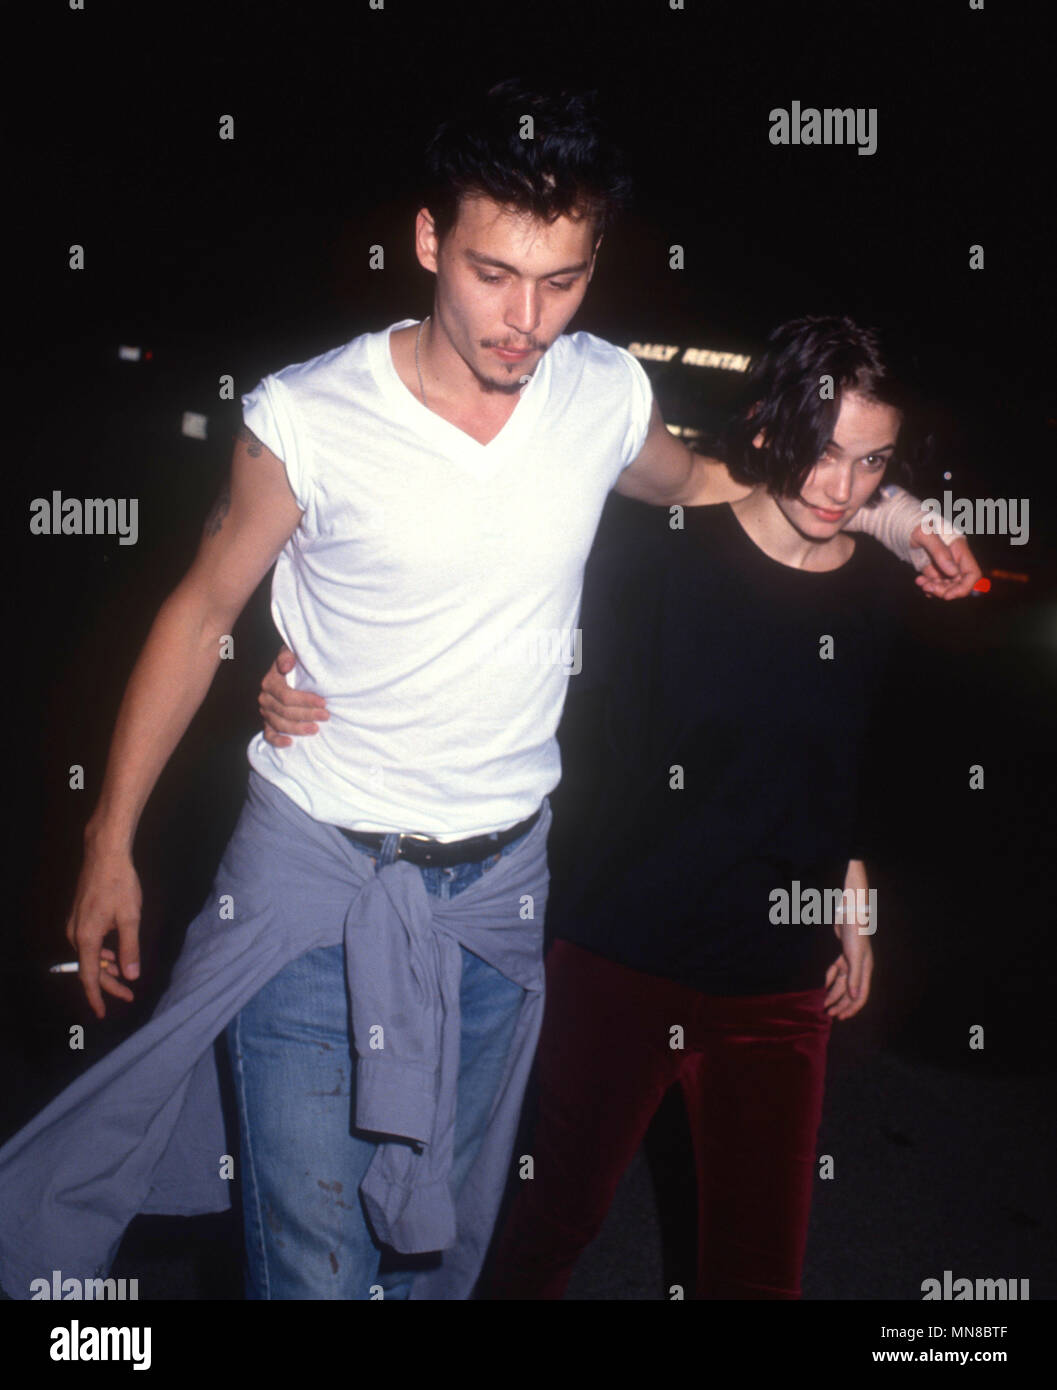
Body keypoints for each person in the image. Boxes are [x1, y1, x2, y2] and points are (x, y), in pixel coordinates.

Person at [0, 82, 976, 1304]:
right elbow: (197, 608)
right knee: (315, 1264)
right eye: (492, 274)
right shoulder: (307, 417)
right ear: (426, 243)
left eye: (561, 281)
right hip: (314, 865)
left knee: (440, 1256)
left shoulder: (602, 394)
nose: (524, 320)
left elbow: (738, 480)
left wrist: (897, 514)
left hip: (501, 900)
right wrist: (111, 838)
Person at [476, 315, 924, 1299]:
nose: (841, 488)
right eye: (823, 450)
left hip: (773, 981)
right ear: (767, 427)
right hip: (619, 955)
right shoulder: (666, 555)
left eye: (870, 463)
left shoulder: (876, 597)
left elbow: (843, 759)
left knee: (760, 1271)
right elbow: (521, 659)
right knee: (549, 1228)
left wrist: (850, 896)